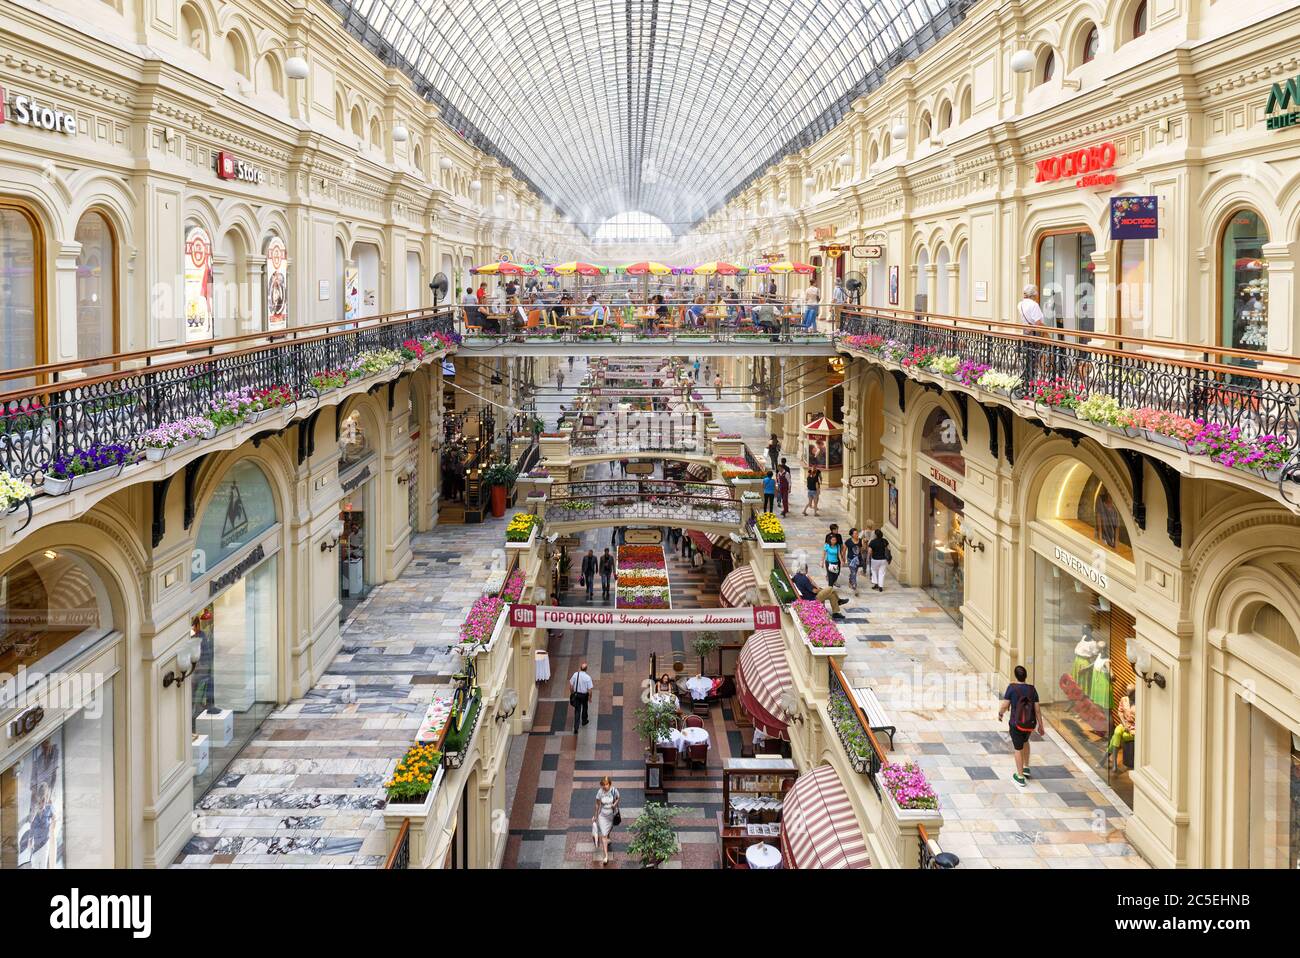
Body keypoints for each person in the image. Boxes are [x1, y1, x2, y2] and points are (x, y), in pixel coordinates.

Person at [998, 665, 1043, 786]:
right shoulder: (1032, 689)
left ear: (1015, 676)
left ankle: (1020, 776)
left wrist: (1000, 714)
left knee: (1018, 748)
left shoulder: (1012, 688)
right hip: (1029, 724)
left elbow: (1004, 705)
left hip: (1016, 724)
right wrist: (1041, 725)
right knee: (1025, 742)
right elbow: (1037, 709)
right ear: (1025, 676)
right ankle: (1026, 767)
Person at [1017, 284, 1047, 382]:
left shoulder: (1020, 304)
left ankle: (1027, 377)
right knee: (1035, 356)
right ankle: (1032, 379)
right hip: (1034, 333)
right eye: (1036, 292)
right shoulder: (1034, 305)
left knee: (1028, 355)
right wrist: (1047, 329)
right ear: (1034, 294)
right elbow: (1038, 322)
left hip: (1025, 332)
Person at [592, 776, 621, 865]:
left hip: (612, 815)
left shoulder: (614, 790)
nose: (605, 786)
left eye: (607, 784)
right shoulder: (600, 792)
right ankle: (605, 856)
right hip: (603, 815)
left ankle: (608, 837)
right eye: (603, 785)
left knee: (610, 828)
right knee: (603, 835)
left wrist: (615, 804)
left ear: (610, 784)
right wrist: (595, 815)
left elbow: (618, 798)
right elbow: (597, 804)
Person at [570, 661, 594, 734]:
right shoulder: (588, 678)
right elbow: (590, 690)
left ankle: (576, 728)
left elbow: (571, 685)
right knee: (585, 707)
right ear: (586, 669)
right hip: (584, 695)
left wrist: (572, 693)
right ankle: (584, 721)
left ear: (580, 668)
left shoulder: (575, 674)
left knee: (577, 710)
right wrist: (590, 698)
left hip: (577, 695)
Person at [846, 527, 862, 594]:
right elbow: (844, 550)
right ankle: (854, 586)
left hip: (857, 559)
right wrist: (843, 559)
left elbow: (861, 549)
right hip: (850, 559)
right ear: (852, 535)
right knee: (854, 573)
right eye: (855, 533)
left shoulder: (860, 540)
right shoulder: (848, 541)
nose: (857, 534)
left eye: (857, 533)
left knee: (854, 571)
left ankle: (850, 580)